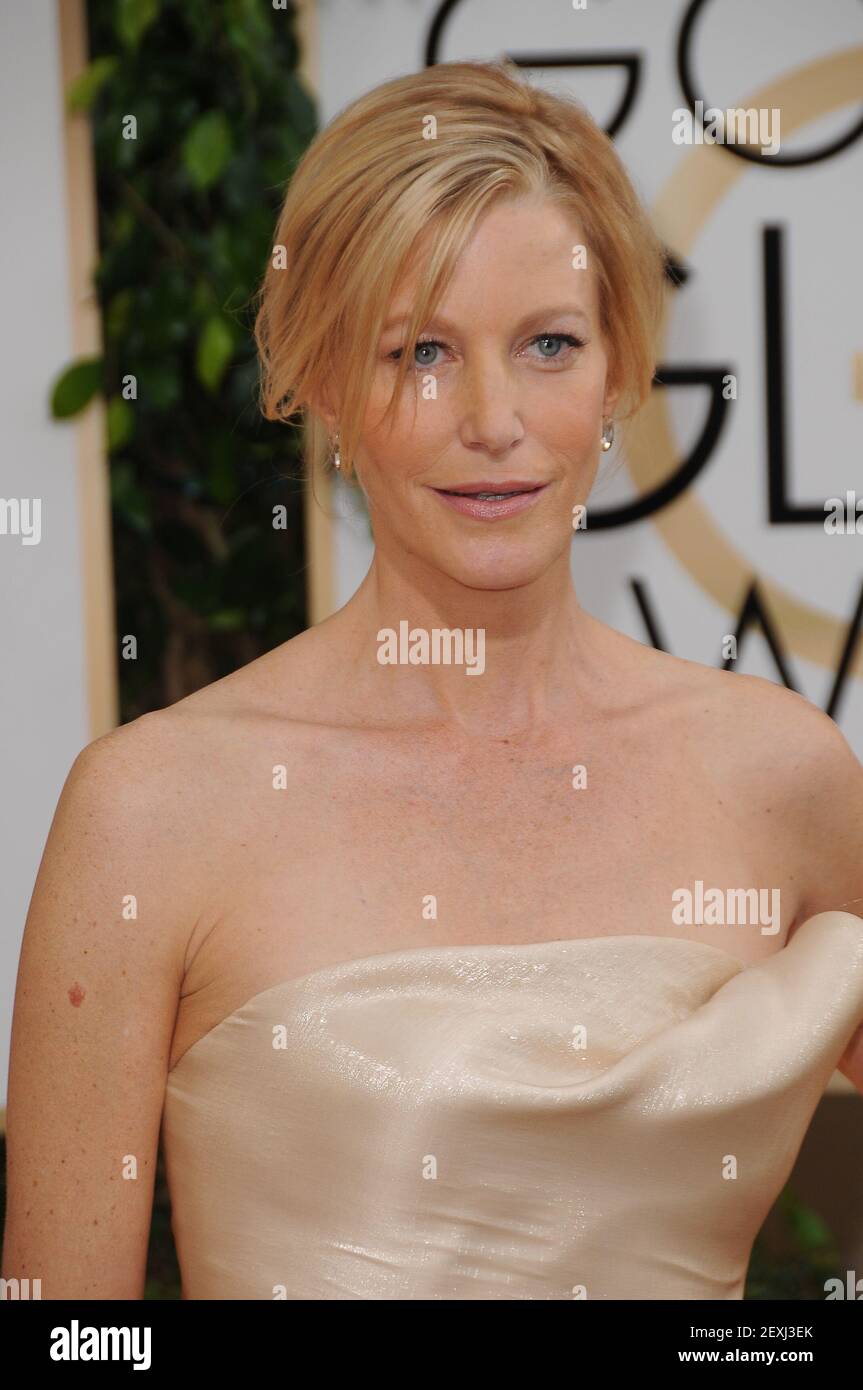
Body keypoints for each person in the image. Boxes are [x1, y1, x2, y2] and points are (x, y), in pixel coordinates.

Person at [4, 60, 863, 1302]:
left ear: (619, 367)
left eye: (548, 344)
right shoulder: (151, 812)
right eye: (419, 352)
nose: (493, 418)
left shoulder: (780, 773)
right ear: (322, 386)